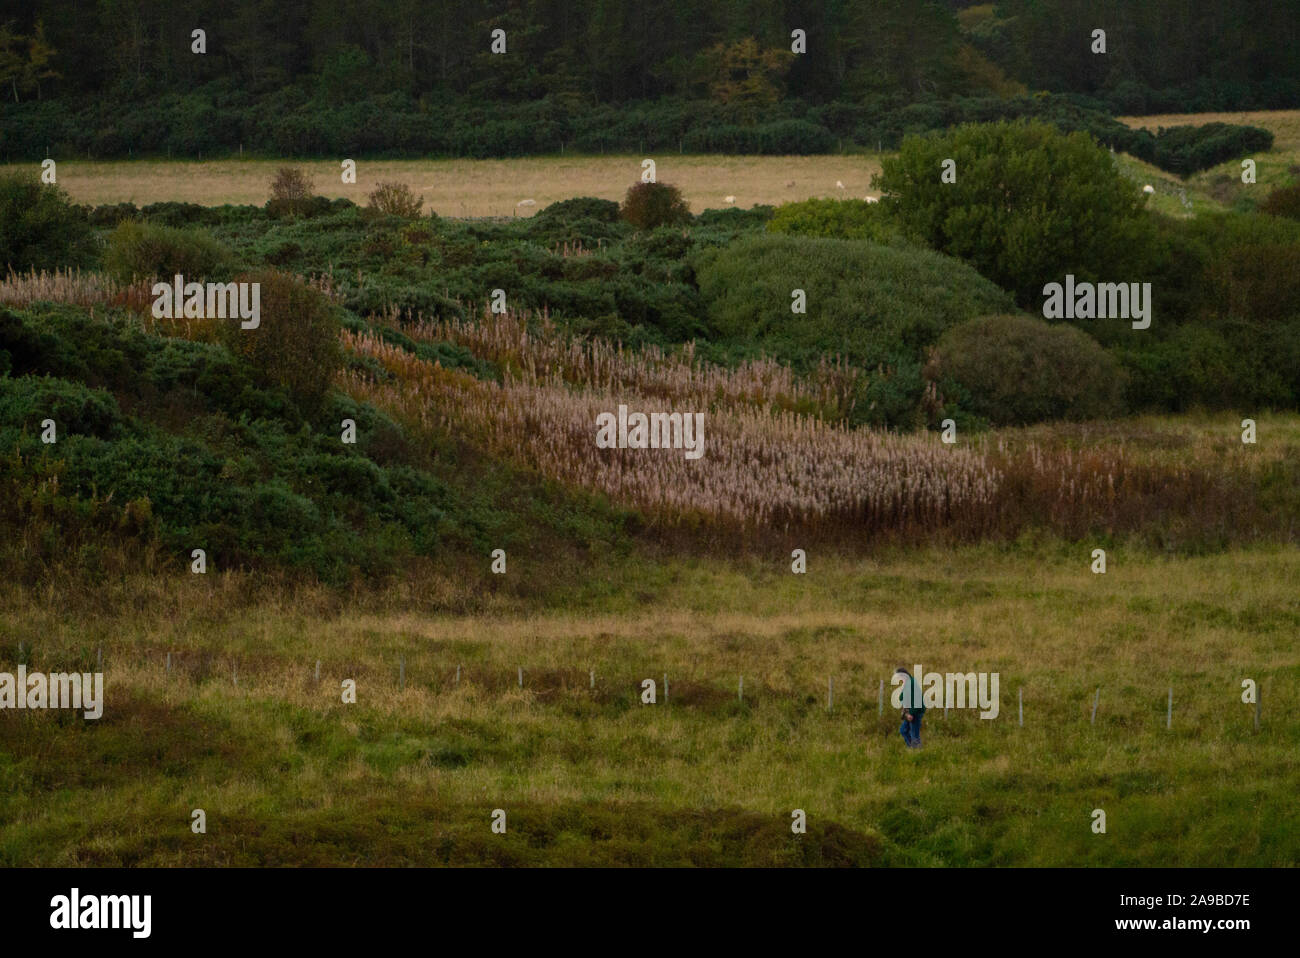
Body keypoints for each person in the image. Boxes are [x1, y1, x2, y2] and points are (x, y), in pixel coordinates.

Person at [896, 666, 925, 749]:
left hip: (916, 712)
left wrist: (911, 714)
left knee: (914, 734)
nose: (899, 680)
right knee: (903, 730)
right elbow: (901, 697)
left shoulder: (912, 684)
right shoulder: (908, 683)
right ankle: (912, 748)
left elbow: (917, 701)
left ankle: (918, 752)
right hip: (910, 711)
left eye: (899, 677)